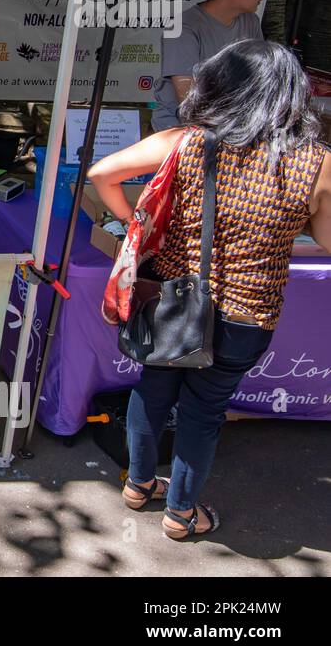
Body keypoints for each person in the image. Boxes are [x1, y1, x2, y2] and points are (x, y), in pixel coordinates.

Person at [89, 40, 331, 540]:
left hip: (173, 299)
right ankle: (180, 514)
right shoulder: (317, 162)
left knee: (153, 388)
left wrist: (133, 224)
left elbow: (101, 174)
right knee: (204, 409)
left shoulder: (186, 140)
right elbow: (327, 238)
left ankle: (138, 486)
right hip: (248, 310)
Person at [152, 0, 278, 132]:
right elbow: (189, 102)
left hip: (233, 129)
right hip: (183, 133)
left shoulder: (250, 21)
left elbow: (259, 80)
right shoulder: (181, 27)